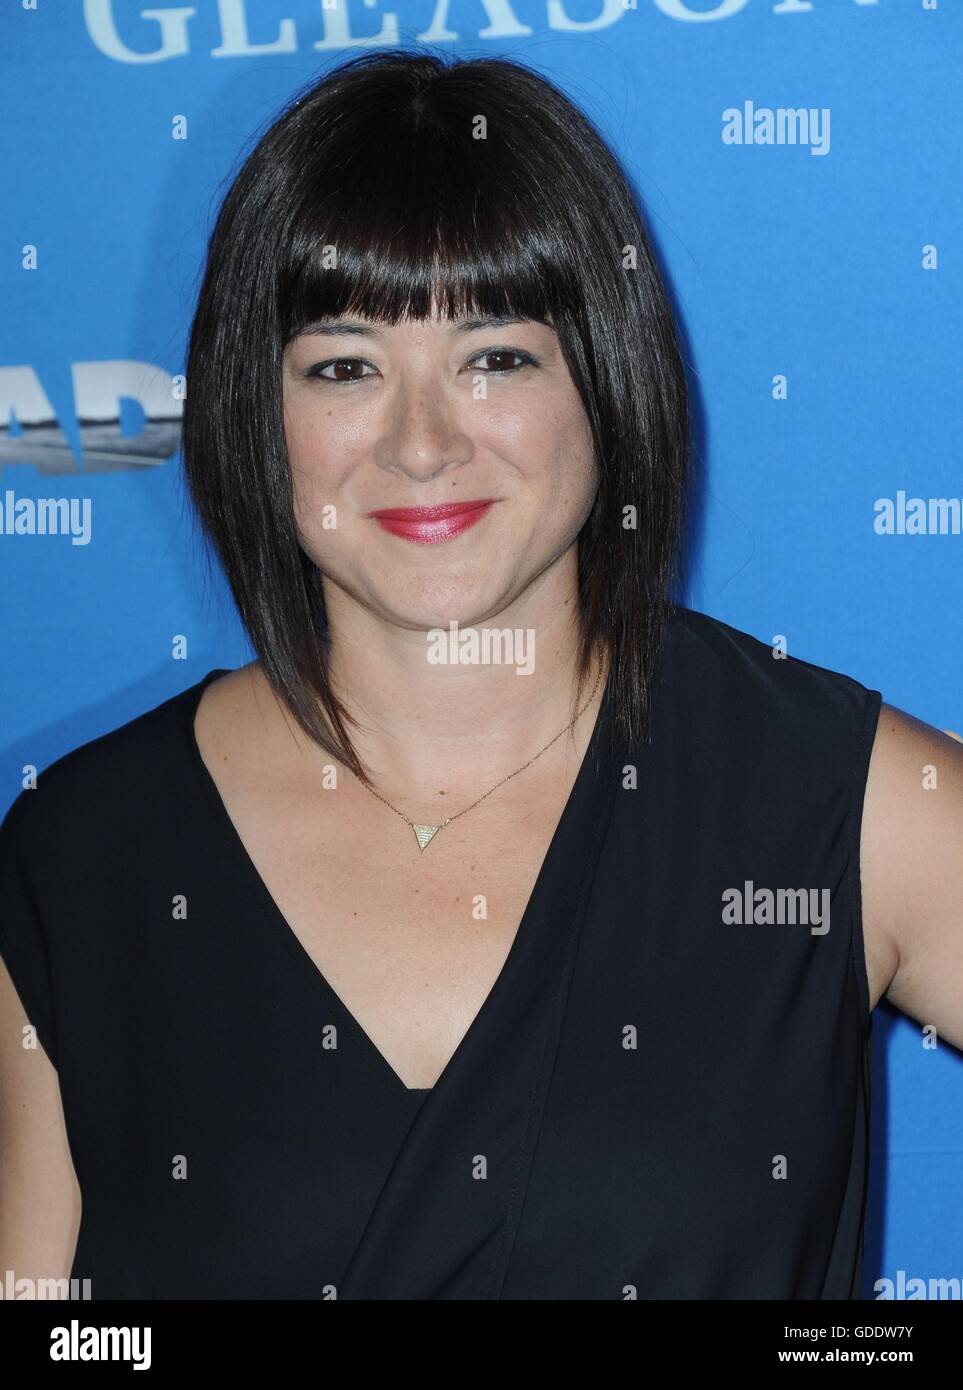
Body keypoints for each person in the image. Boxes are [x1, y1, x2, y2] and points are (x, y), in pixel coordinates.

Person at [0, 47, 960, 1302]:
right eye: (344, 365)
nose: (421, 442)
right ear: (255, 409)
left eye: (496, 356)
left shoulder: (851, 805)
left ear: (604, 380)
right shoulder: (85, 859)